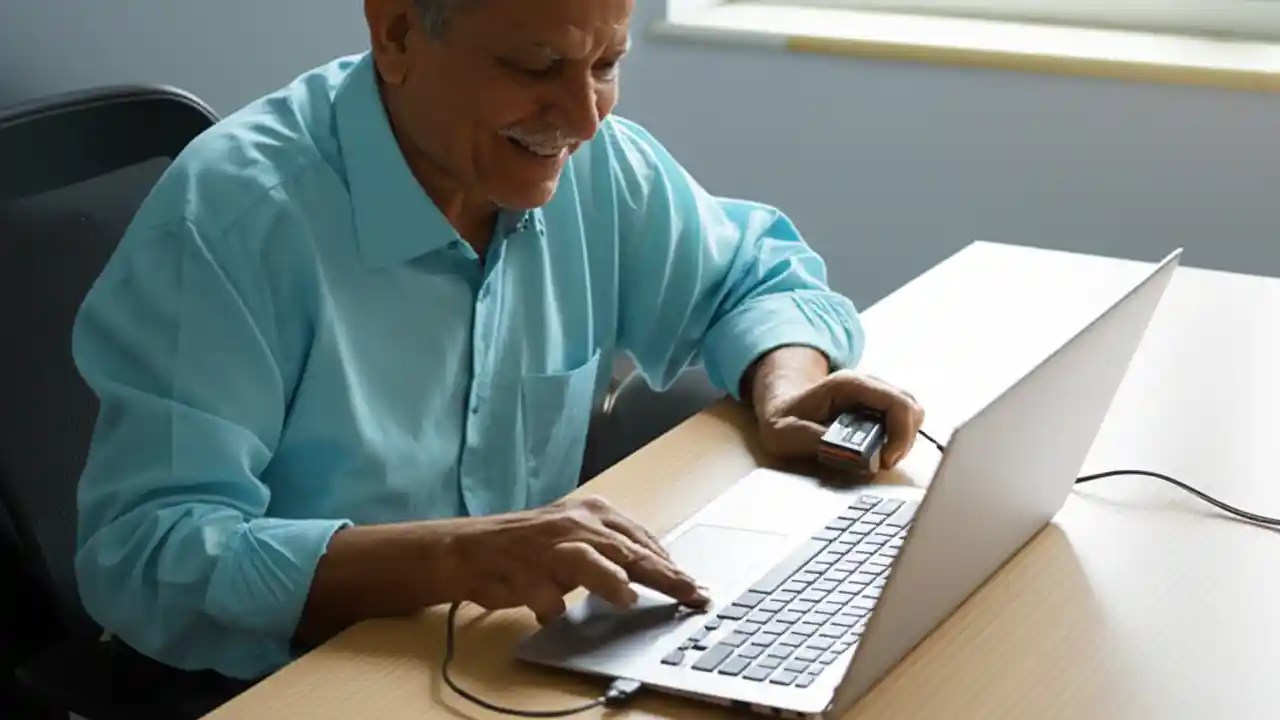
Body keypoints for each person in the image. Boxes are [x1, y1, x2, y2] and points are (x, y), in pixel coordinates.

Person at [71, 0, 925, 681]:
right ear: (398, 30)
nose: (584, 118)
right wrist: (452, 558)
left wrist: (786, 384)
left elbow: (757, 277)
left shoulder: (594, 166)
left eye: (607, 65)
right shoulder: (233, 217)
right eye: (536, 66)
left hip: (505, 656)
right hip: (297, 678)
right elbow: (147, 556)